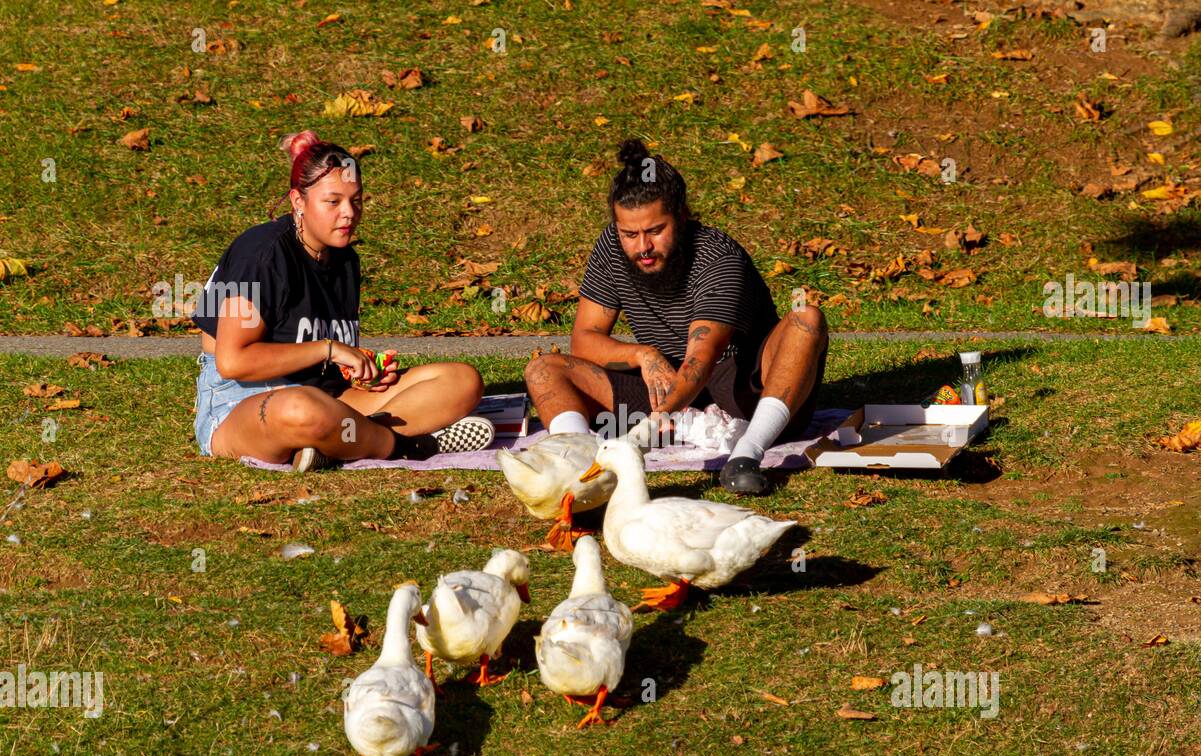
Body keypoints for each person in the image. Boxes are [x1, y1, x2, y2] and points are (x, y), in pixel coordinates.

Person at [523, 139, 828, 496]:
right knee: (544, 370)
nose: (642, 247)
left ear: (681, 217)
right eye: (629, 234)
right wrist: (642, 354)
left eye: (655, 231)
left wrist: (644, 434)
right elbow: (585, 338)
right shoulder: (609, 246)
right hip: (663, 384)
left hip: (742, 387)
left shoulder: (718, 257)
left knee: (806, 317)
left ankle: (746, 455)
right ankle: (577, 465)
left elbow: (701, 361)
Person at [191, 130, 494, 471]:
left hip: (330, 401)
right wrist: (328, 349)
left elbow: (319, 356)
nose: (349, 213)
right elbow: (234, 362)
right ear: (298, 202)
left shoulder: (344, 258)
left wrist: (360, 372)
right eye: (333, 202)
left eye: (357, 200)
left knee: (461, 381)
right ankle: (408, 444)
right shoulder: (262, 254)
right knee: (300, 409)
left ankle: (341, 441)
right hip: (243, 402)